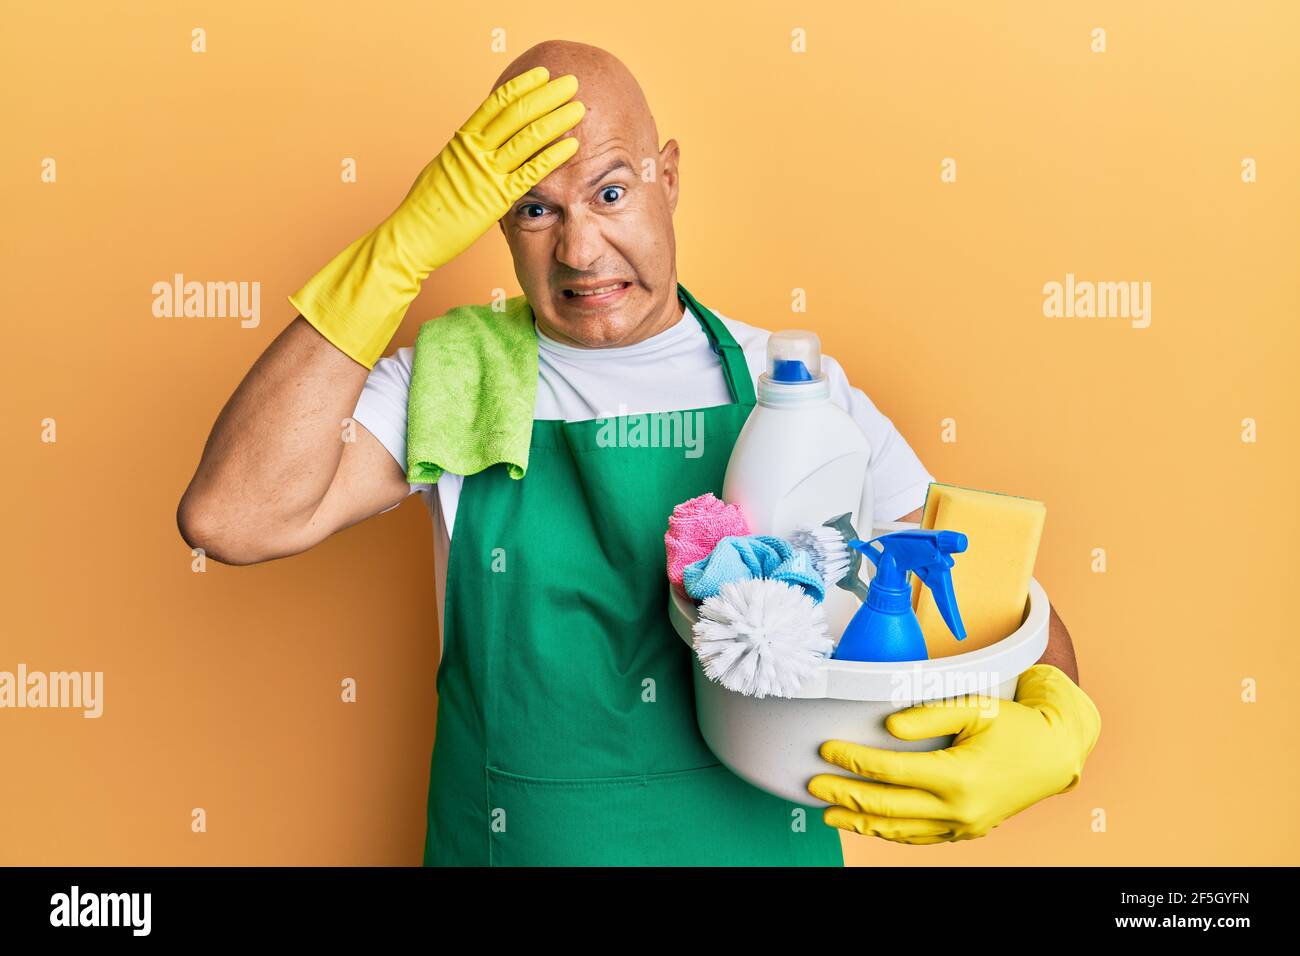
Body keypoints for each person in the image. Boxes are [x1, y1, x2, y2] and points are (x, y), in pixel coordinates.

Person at [177, 40, 1100, 866]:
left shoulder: (795, 391)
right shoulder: (458, 378)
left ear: (669, 176)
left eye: (611, 192)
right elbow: (234, 519)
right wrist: (394, 255)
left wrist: (1057, 721)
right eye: (534, 211)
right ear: (493, 225)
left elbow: (980, 603)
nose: (581, 250)